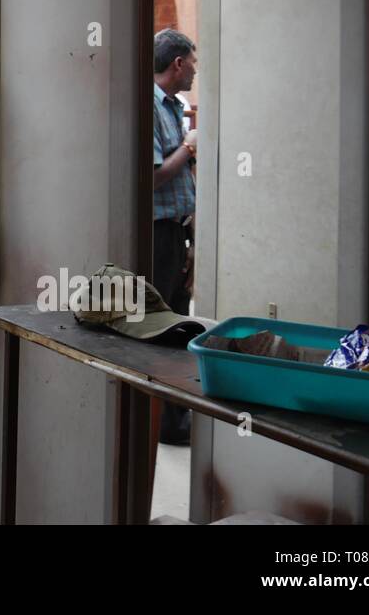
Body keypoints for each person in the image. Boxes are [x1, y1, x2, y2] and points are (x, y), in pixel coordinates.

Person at [152, 27, 198, 446]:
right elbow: (152, 177)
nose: (196, 72)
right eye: (193, 64)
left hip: (177, 233)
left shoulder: (173, 107)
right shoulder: (149, 104)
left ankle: (174, 420)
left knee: (180, 328)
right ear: (178, 63)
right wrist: (190, 146)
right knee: (162, 330)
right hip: (158, 235)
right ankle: (163, 420)